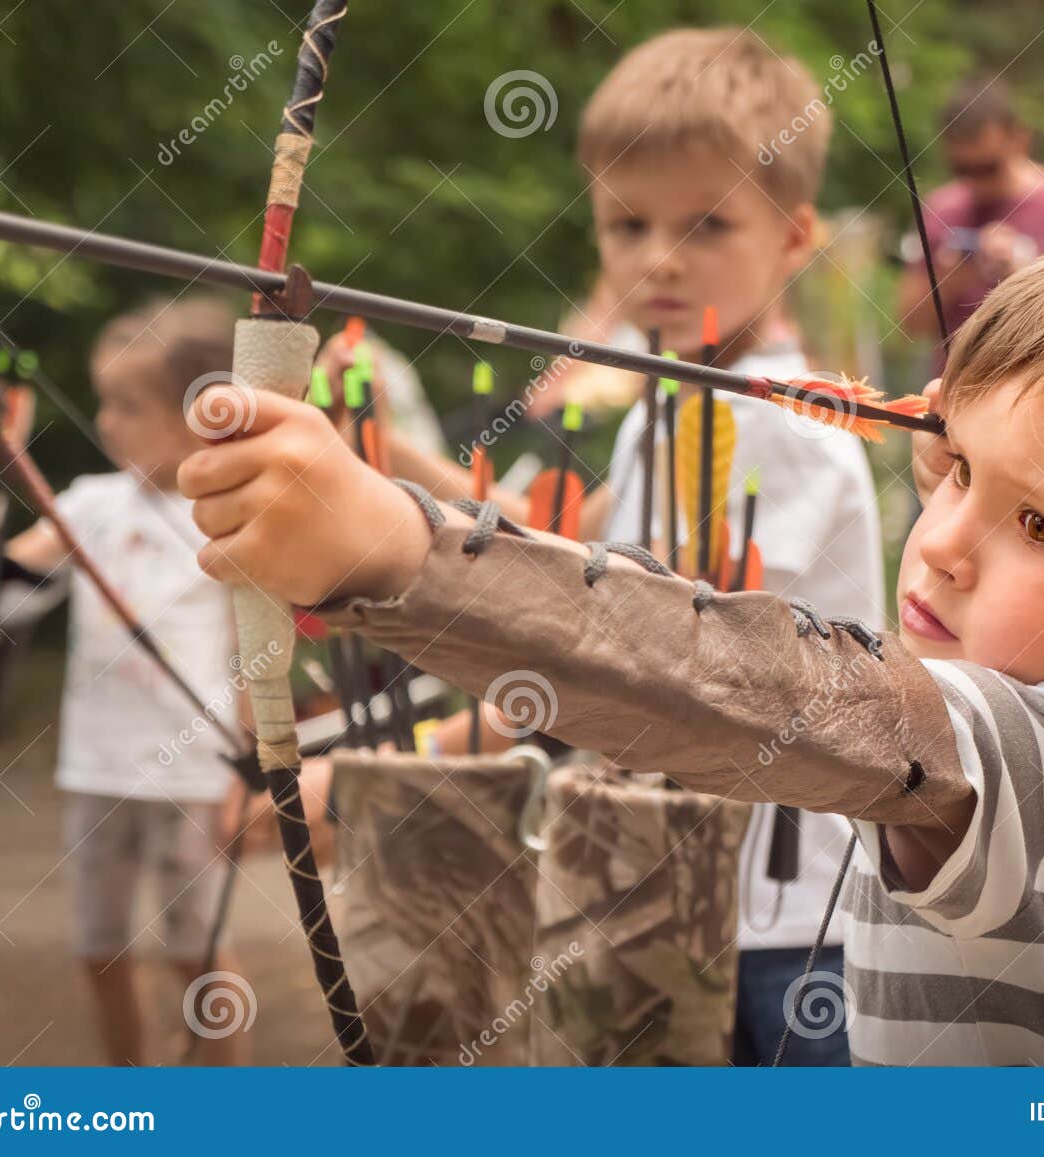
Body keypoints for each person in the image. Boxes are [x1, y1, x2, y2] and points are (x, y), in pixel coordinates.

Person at [179, 222, 1044, 1065]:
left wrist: (388, 550)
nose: (944, 540)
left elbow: (752, 685)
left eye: (1035, 525)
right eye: (947, 469)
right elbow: (700, 621)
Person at [319, 27, 879, 1065]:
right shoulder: (661, 402)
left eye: (707, 224)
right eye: (627, 224)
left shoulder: (787, 429)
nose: (658, 258)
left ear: (795, 239)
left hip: (788, 918)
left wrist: (432, 758)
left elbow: (649, 650)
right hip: (681, 874)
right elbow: (580, 568)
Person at [7, 298, 252, 1066]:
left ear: (198, 419)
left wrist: (249, 773)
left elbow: (252, 659)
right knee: (99, 951)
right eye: (103, 400)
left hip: (192, 774)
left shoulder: (230, 516)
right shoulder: (88, 504)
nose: (107, 421)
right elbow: (4, 589)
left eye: (129, 405)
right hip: (100, 770)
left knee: (198, 956)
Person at [897, 78, 1044, 353]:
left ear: (1020, 139)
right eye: (962, 169)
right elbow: (909, 325)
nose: (975, 182)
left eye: (988, 167)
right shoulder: (940, 210)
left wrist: (1025, 276)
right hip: (954, 386)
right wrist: (951, 279)